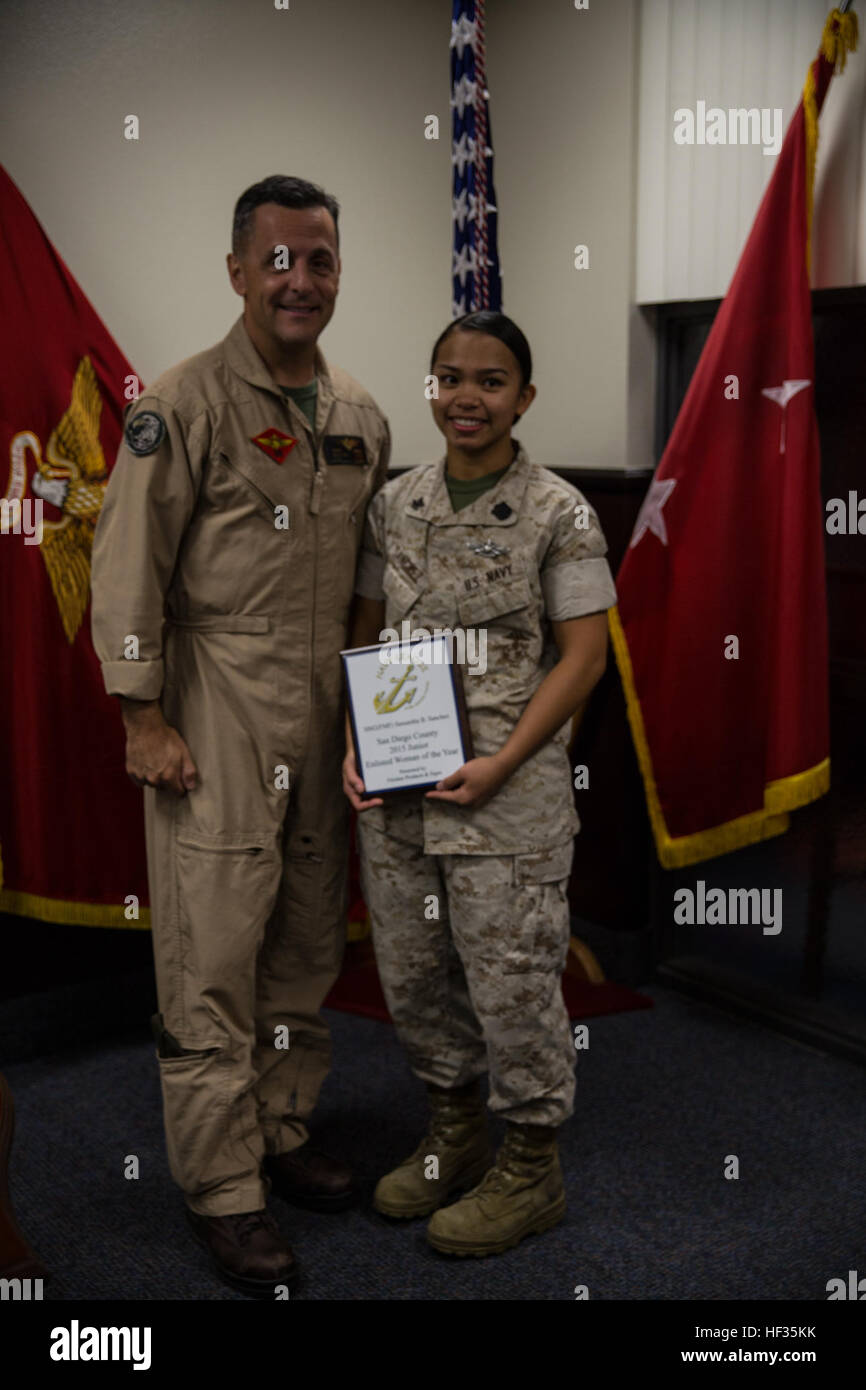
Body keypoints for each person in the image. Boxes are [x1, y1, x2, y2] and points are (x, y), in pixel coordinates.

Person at [90, 175, 390, 1296]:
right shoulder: (184, 402)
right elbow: (127, 568)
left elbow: (366, 578)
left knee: (307, 942)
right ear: (236, 272)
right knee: (209, 960)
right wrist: (143, 714)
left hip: (320, 706)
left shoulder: (360, 413)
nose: (298, 280)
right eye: (277, 260)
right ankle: (222, 1186)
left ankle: (281, 1125)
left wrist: (371, 708)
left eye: (317, 260)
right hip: (213, 699)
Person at [343, 310, 616, 1257]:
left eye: (491, 380)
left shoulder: (560, 511)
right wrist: (354, 741)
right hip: (403, 790)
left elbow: (584, 658)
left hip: (508, 793)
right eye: (450, 377)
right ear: (431, 389)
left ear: (523, 398)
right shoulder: (394, 503)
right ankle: (454, 1135)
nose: (467, 396)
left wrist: (505, 759)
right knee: (416, 979)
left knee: (511, 981)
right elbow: (373, 634)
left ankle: (532, 1166)